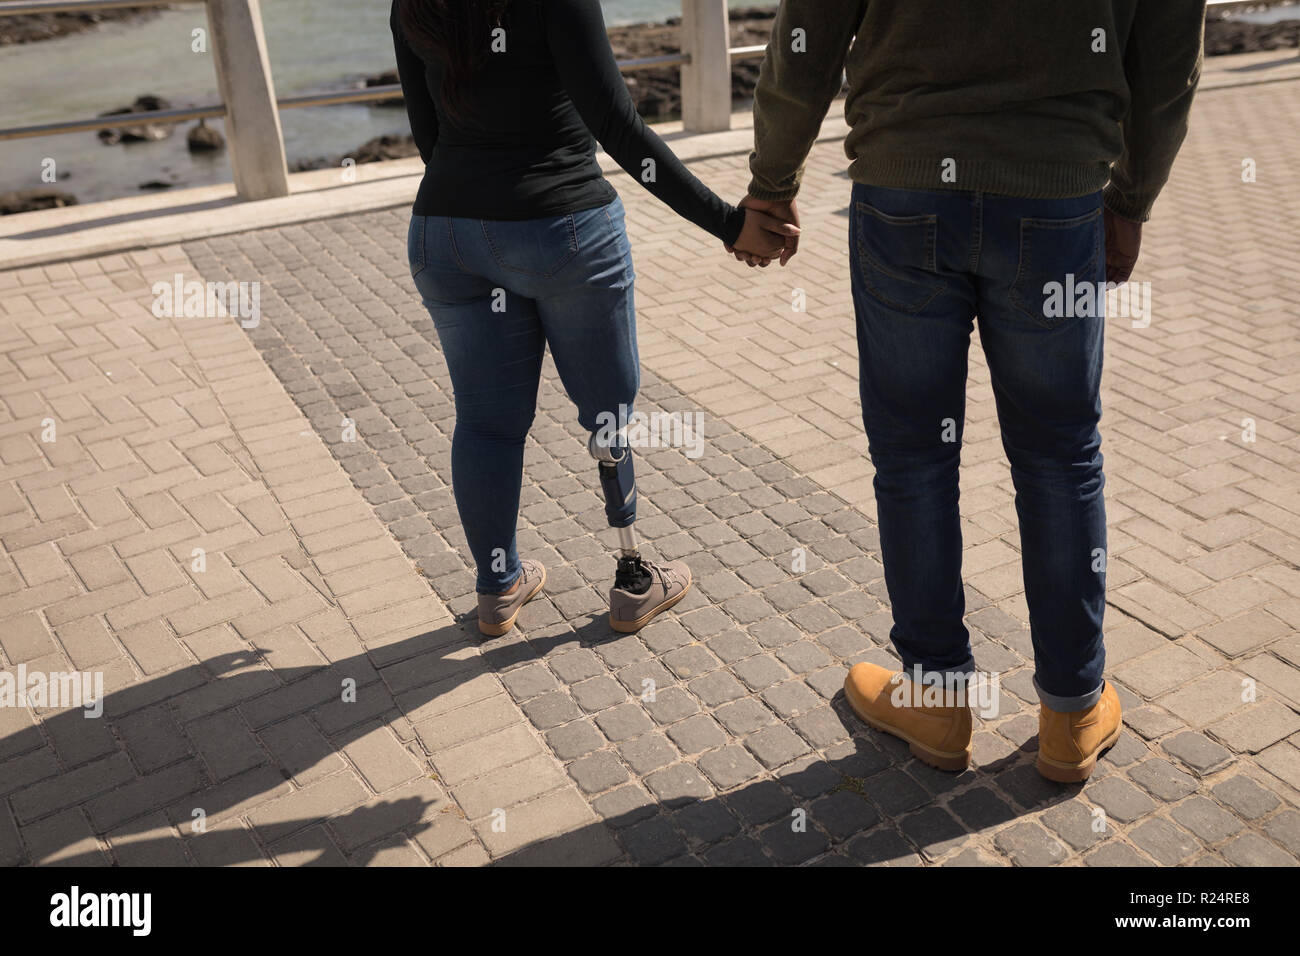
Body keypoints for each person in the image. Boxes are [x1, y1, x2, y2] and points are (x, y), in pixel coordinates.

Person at [736, 0, 1204, 781]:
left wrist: (771, 180)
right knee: (1060, 456)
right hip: (1057, 197)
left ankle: (938, 700)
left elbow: (807, 33)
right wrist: (1131, 199)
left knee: (915, 457)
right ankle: (1073, 711)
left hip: (904, 192)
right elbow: (1167, 62)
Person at [391, 0, 798, 637]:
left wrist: (478, 205)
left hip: (445, 235)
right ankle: (633, 581)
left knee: (486, 423)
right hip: (564, 232)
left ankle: (498, 589)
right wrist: (729, 223)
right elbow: (619, 128)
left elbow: (426, 133)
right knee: (606, 410)